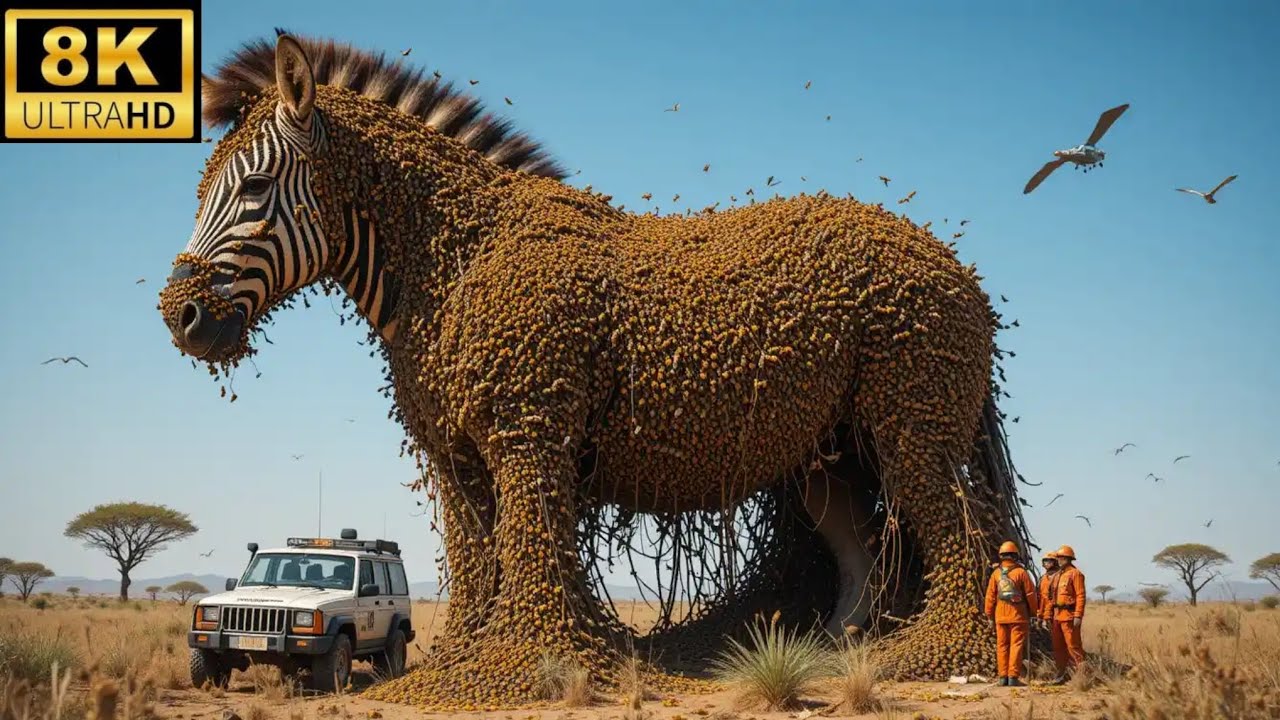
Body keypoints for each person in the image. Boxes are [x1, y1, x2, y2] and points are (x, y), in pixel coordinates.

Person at [984, 540, 1039, 687]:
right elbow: (1031, 594)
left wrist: (989, 615)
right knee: (1016, 645)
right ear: (1015, 555)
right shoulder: (1021, 572)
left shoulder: (996, 574)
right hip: (1018, 616)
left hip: (1000, 616)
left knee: (1002, 645)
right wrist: (1034, 612)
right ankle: (1013, 678)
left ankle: (1002, 678)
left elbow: (990, 596)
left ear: (1001, 556)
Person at [1049, 544, 1087, 683]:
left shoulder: (1075, 574)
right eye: (1058, 558)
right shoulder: (1058, 575)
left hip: (1069, 616)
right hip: (1057, 616)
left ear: (1069, 559)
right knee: (1058, 647)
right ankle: (1061, 675)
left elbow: (1081, 595)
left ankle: (1081, 677)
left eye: (1062, 558)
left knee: (1073, 646)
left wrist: (1078, 615)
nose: (1059, 560)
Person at [1038, 551, 1059, 632]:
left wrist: (1047, 615)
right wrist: (1040, 615)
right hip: (1045, 615)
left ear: (1055, 562)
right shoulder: (1043, 578)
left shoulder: (1060, 577)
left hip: (1056, 614)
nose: (1047, 563)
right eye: (1045, 561)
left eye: (1050, 561)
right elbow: (1041, 598)